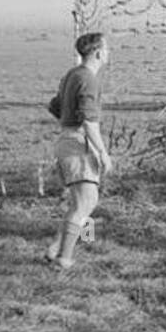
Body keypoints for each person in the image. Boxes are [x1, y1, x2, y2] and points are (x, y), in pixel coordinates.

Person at [45, 33, 113, 269]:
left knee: (80, 203)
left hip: (66, 140)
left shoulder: (71, 75)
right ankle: (64, 259)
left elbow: (54, 106)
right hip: (78, 143)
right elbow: (89, 121)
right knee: (86, 202)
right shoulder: (88, 79)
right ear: (97, 52)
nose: (108, 53)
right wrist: (103, 153)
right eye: (106, 48)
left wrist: (67, 122)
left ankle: (55, 249)